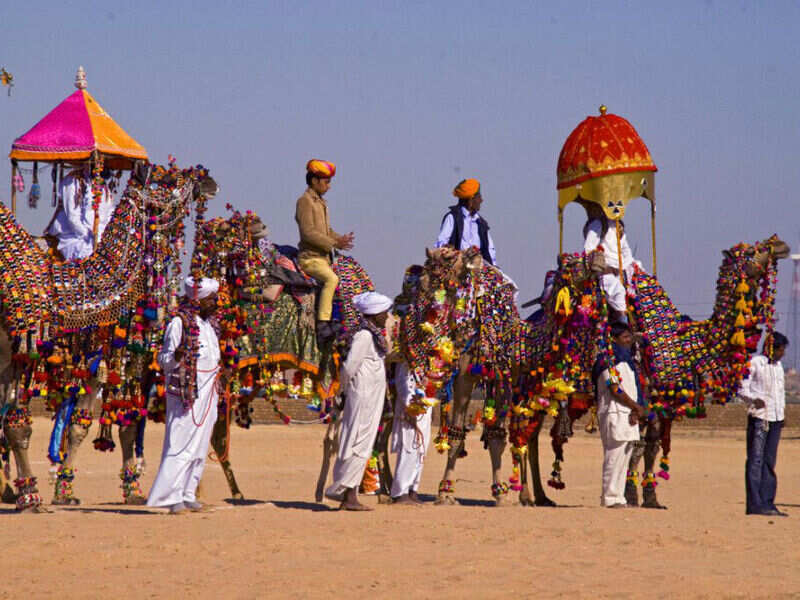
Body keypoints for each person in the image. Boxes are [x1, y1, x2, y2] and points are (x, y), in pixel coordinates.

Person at [147, 276, 222, 515]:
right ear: (198, 300)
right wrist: (178, 355)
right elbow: (164, 361)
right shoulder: (179, 323)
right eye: (211, 298)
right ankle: (170, 496)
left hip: (209, 392)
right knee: (180, 443)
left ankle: (188, 493)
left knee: (200, 445)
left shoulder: (210, 325)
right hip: (186, 393)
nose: (215, 302)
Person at [324, 291, 392, 511]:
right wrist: (342, 390)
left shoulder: (373, 335)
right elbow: (349, 367)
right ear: (374, 314)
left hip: (371, 396)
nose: (386, 317)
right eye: (384, 313)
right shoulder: (364, 336)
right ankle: (348, 494)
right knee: (357, 441)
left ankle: (348, 493)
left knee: (362, 441)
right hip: (362, 395)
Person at [295, 159, 355, 343]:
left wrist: (340, 240)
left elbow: (326, 231)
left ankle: (338, 319)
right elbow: (308, 233)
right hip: (310, 258)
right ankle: (322, 322)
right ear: (314, 181)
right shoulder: (304, 201)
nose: (328, 186)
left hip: (324, 258)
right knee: (332, 279)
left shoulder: (321, 203)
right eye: (326, 182)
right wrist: (332, 244)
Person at [594, 322, 645, 508]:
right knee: (614, 456)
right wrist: (636, 406)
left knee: (625, 457)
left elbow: (632, 389)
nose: (629, 340)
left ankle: (619, 497)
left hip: (628, 415)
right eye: (624, 337)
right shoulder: (607, 360)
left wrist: (635, 410)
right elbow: (615, 388)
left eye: (629, 337)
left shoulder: (629, 363)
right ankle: (609, 497)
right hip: (613, 413)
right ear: (614, 339)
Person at [740, 332, 789, 517]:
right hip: (760, 417)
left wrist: (782, 413)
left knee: (769, 461)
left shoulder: (779, 367)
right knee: (756, 460)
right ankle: (755, 504)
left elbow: (781, 392)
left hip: (775, 419)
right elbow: (741, 387)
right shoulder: (755, 363)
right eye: (780, 349)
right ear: (772, 347)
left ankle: (768, 502)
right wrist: (754, 399)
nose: (783, 353)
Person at [582, 203, 642, 320]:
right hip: (604, 271)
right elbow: (588, 248)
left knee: (644, 287)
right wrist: (600, 263)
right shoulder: (598, 224)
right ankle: (623, 328)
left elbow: (626, 250)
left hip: (621, 271)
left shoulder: (619, 226)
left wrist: (631, 266)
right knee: (618, 293)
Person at [46, 166, 114, 260]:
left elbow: (109, 214)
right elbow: (73, 218)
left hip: (100, 238)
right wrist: (89, 236)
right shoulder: (72, 181)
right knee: (92, 259)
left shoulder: (103, 186)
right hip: (74, 238)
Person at [436, 178, 496, 265]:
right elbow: (441, 244)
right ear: (471, 200)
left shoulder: (481, 224)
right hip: (457, 268)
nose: (481, 200)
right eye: (479, 197)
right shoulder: (452, 218)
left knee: (505, 279)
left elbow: (490, 250)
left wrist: (494, 267)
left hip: (479, 268)